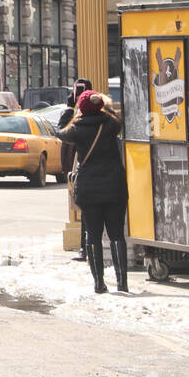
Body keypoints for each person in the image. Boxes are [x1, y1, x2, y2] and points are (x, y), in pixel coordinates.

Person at [59, 90, 128, 294]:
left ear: (80, 108)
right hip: (114, 186)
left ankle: (99, 283)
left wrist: (69, 109)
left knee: (93, 236)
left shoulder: (76, 130)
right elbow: (114, 115)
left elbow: (59, 132)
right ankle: (122, 282)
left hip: (89, 189)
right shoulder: (111, 124)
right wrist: (101, 105)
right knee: (117, 234)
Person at [58, 77, 91, 262]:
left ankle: (85, 249)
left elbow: (61, 132)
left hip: (86, 172)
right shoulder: (106, 118)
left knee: (86, 212)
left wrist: (70, 108)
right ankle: (88, 248)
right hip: (105, 172)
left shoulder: (79, 120)